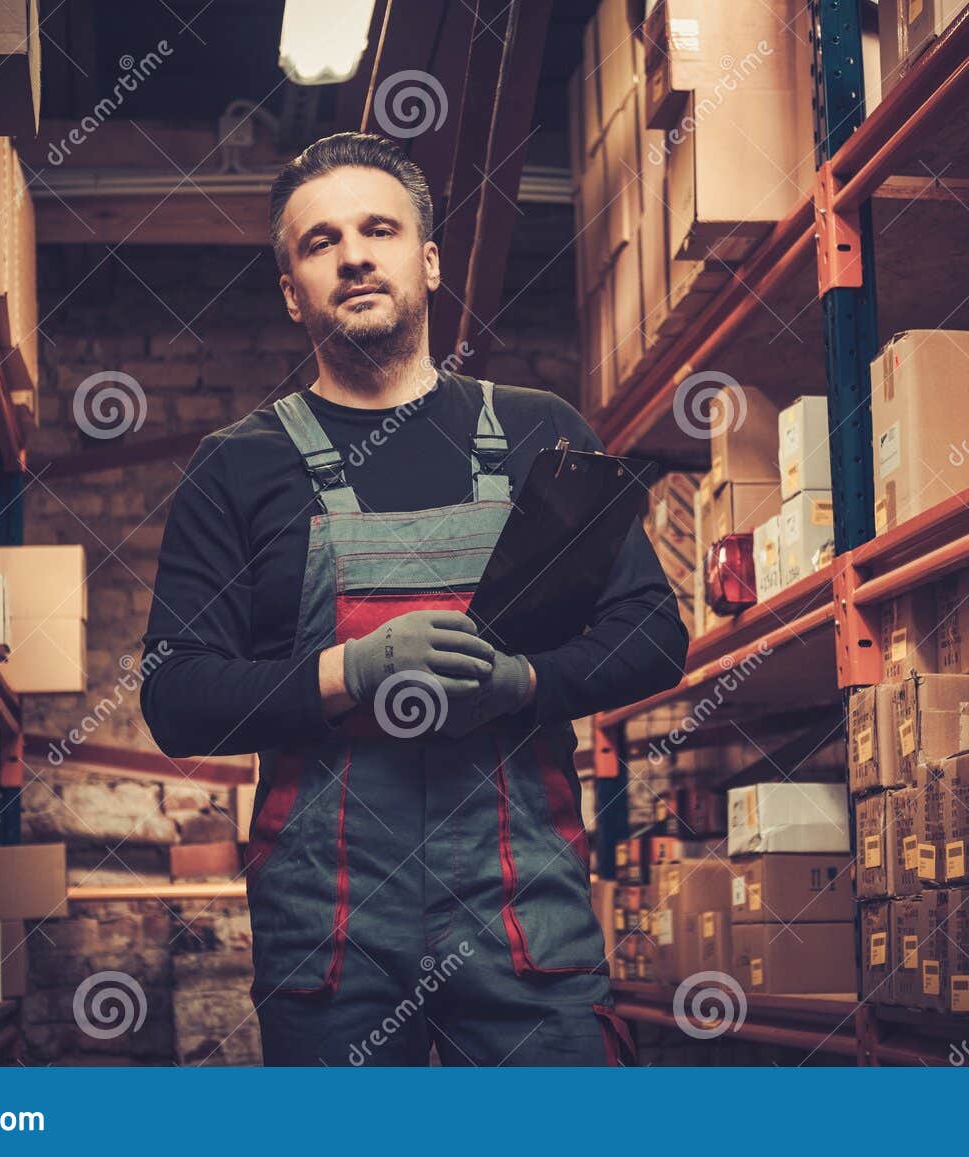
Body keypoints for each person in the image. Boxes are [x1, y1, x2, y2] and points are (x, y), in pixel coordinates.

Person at [139, 132, 689, 1065]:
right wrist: (345, 672)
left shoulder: (537, 435)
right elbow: (175, 695)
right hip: (330, 922)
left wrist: (522, 682)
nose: (353, 254)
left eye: (379, 229)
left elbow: (653, 636)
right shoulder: (238, 467)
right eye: (319, 243)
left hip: (522, 912)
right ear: (291, 289)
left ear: (427, 261)